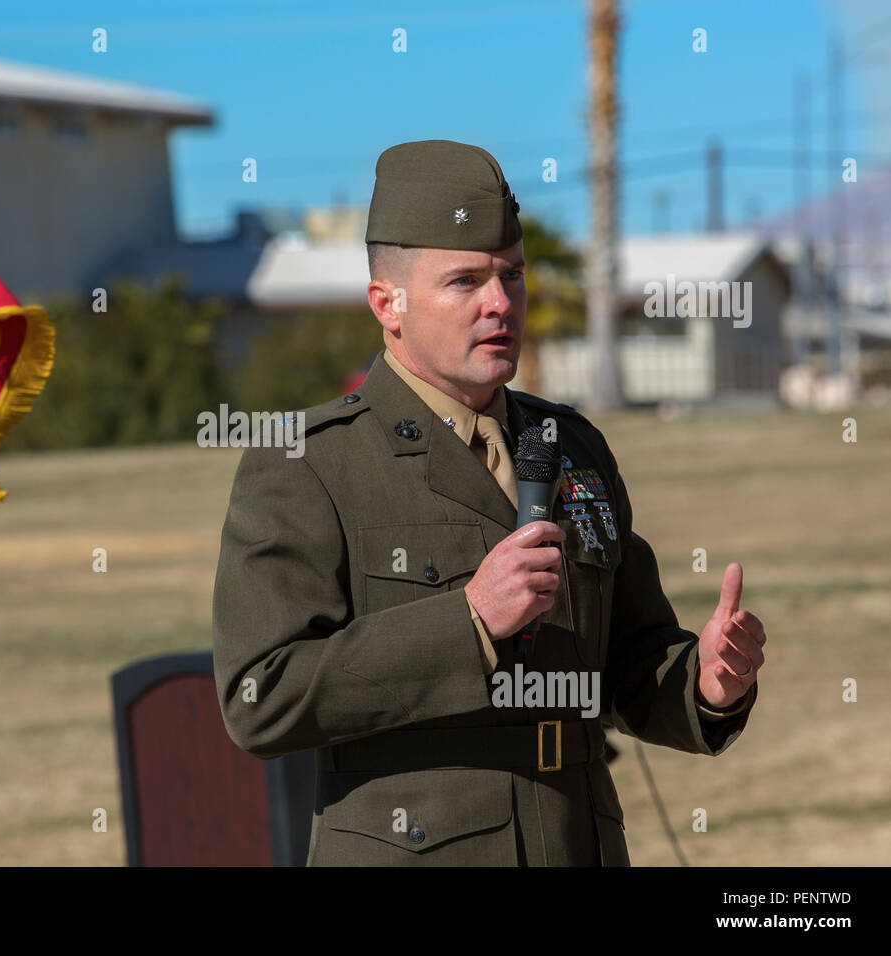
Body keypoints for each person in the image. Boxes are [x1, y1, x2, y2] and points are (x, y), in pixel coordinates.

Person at [211, 140, 766, 866]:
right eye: (465, 281)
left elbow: (630, 665)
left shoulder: (573, 447)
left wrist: (709, 682)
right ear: (389, 304)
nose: (500, 302)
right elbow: (262, 695)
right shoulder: (310, 463)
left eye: (512, 275)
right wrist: (467, 623)